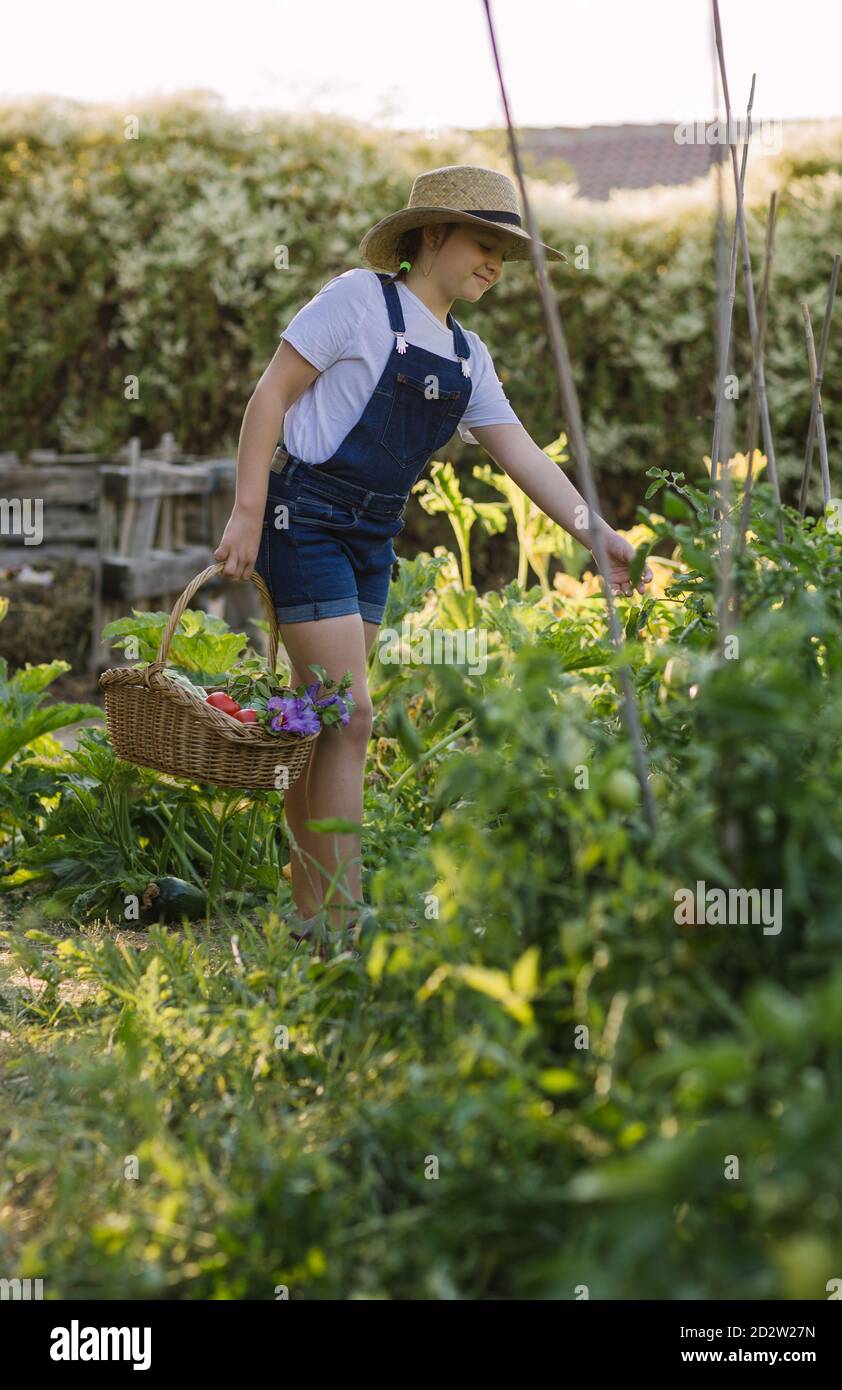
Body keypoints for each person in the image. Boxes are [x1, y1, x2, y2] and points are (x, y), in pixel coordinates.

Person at [214, 163, 652, 946]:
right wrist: (248, 512)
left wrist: (598, 532)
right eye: (484, 243)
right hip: (301, 517)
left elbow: (522, 455)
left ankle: (312, 918)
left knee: (323, 720)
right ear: (431, 235)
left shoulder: (466, 354)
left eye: (505, 254)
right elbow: (270, 396)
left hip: (373, 536)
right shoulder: (357, 300)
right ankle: (344, 922)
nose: (494, 263)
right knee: (349, 719)